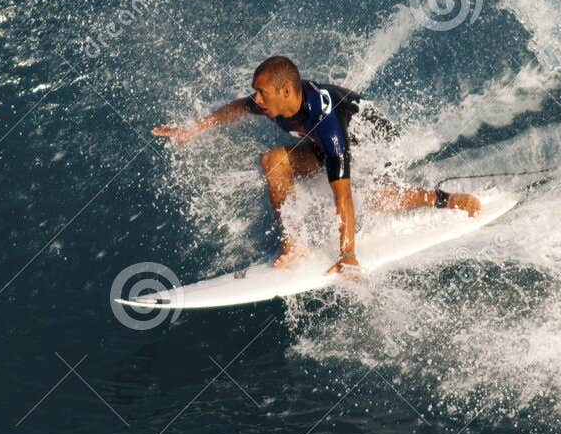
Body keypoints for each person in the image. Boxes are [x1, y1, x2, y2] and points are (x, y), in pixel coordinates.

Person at [153, 56, 480, 274]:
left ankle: (447, 199)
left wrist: (347, 255)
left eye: (262, 93)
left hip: (370, 144)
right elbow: (239, 107)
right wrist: (195, 128)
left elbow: (343, 198)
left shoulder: (328, 124)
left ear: (285, 90)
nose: (258, 99)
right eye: (257, 93)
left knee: (375, 198)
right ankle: (292, 244)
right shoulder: (277, 102)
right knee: (273, 161)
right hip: (320, 145)